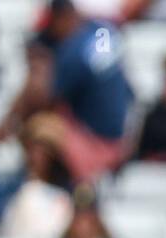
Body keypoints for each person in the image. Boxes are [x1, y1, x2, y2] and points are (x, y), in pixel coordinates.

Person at [43, 0, 134, 182]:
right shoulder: (105, 32)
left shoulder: (70, 51)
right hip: (124, 136)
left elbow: (51, 101)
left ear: (61, 19)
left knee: (47, 123)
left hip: (96, 144)